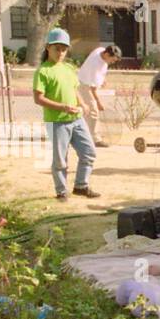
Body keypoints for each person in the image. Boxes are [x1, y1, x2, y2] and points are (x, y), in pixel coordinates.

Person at [32, 28, 100, 201]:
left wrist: (83, 104)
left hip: (76, 119)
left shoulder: (68, 68)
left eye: (64, 49)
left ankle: (81, 185)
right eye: (57, 48)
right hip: (57, 122)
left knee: (89, 152)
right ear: (48, 48)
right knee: (60, 160)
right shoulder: (43, 71)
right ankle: (61, 191)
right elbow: (38, 99)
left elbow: (74, 89)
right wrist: (62, 107)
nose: (61, 52)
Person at [76, 43, 122, 147]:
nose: (113, 62)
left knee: (84, 111)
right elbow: (93, 89)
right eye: (113, 60)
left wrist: (102, 80)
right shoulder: (95, 65)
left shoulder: (100, 50)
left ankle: (80, 134)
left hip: (85, 82)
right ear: (106, 54)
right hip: (84, 85)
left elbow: (100, 74)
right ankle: (95, 139)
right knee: (94, 111)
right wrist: (99, 103)